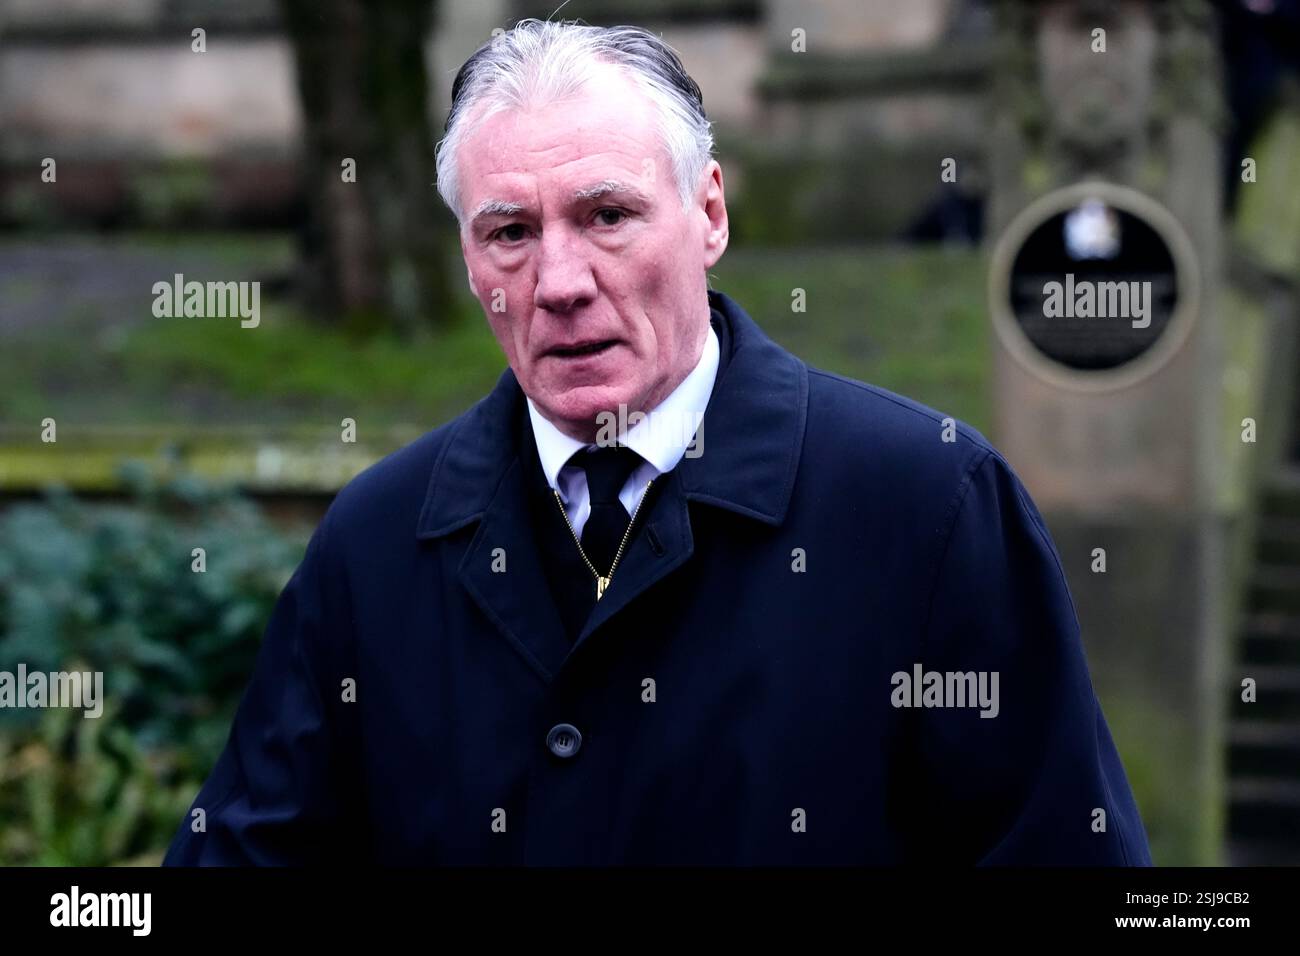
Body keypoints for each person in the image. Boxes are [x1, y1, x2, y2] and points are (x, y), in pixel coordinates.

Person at [163, 19, 1151, 866]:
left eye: (607, 216)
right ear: (467, 258)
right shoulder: (376, 542)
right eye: (509, 231)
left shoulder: (927, 505)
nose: (559, 280)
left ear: (708, 212)